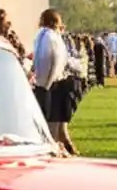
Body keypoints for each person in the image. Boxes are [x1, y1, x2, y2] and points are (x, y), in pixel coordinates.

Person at [31, 9, 82, 154]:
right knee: (55, 124)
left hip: (51, 84)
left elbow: (50, 61)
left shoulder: (46, 36)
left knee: (56, 124)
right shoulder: (51, 37)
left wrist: (44, 82)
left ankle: (63, 148)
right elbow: (53, 60)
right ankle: (63, 149)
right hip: (52, 84)